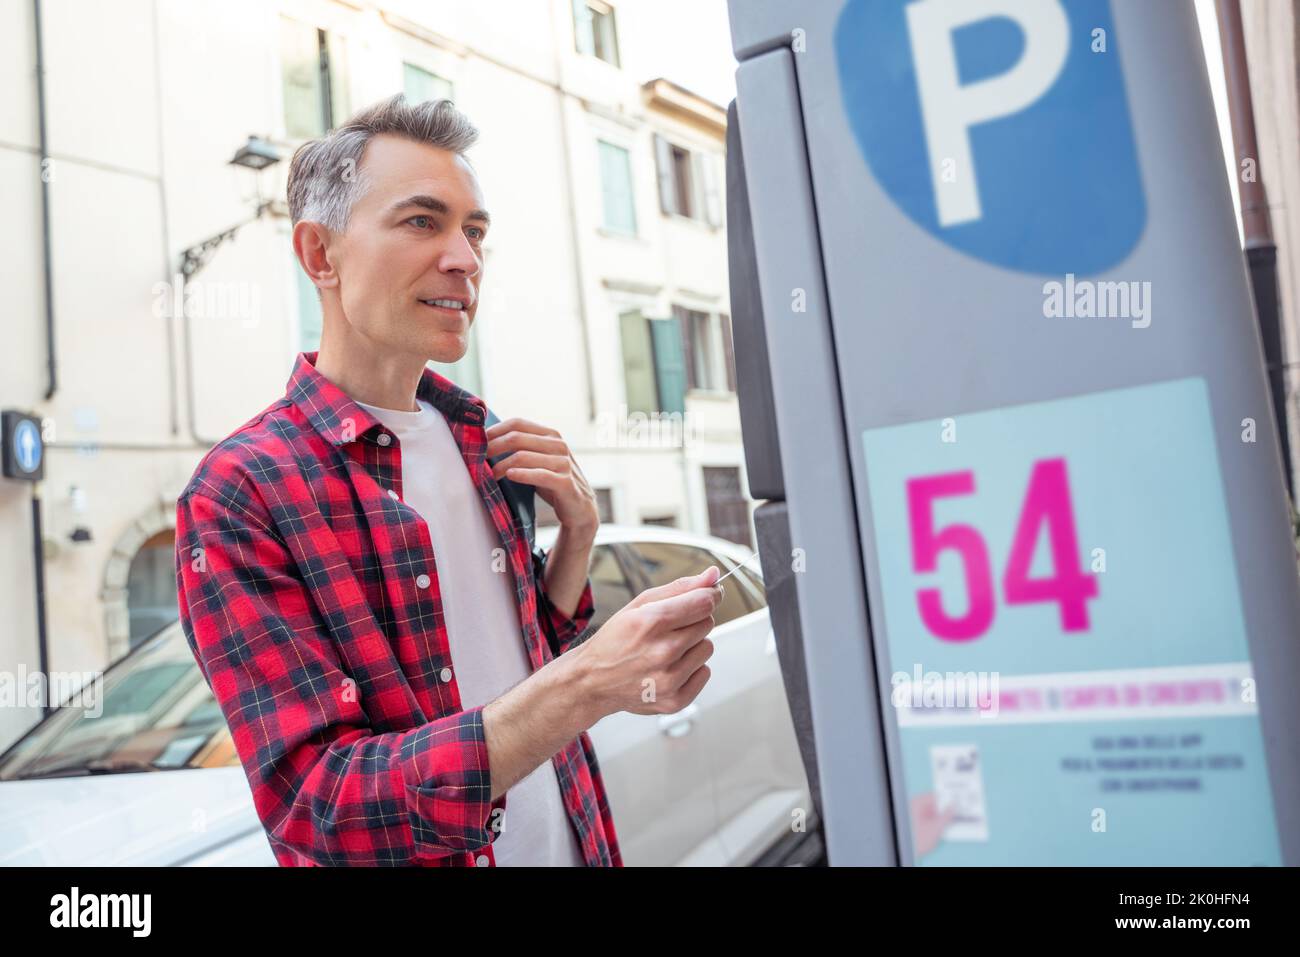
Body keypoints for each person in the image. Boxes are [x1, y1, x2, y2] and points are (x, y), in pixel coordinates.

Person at [174, 94, 723, 867]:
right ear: (320, 254)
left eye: (475, 231)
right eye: (422, 222)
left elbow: (518, 667)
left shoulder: (481, 439)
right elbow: (319, 805)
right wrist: (587, 683)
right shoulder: (243, 491)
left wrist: (577, 540)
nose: (465, 258)